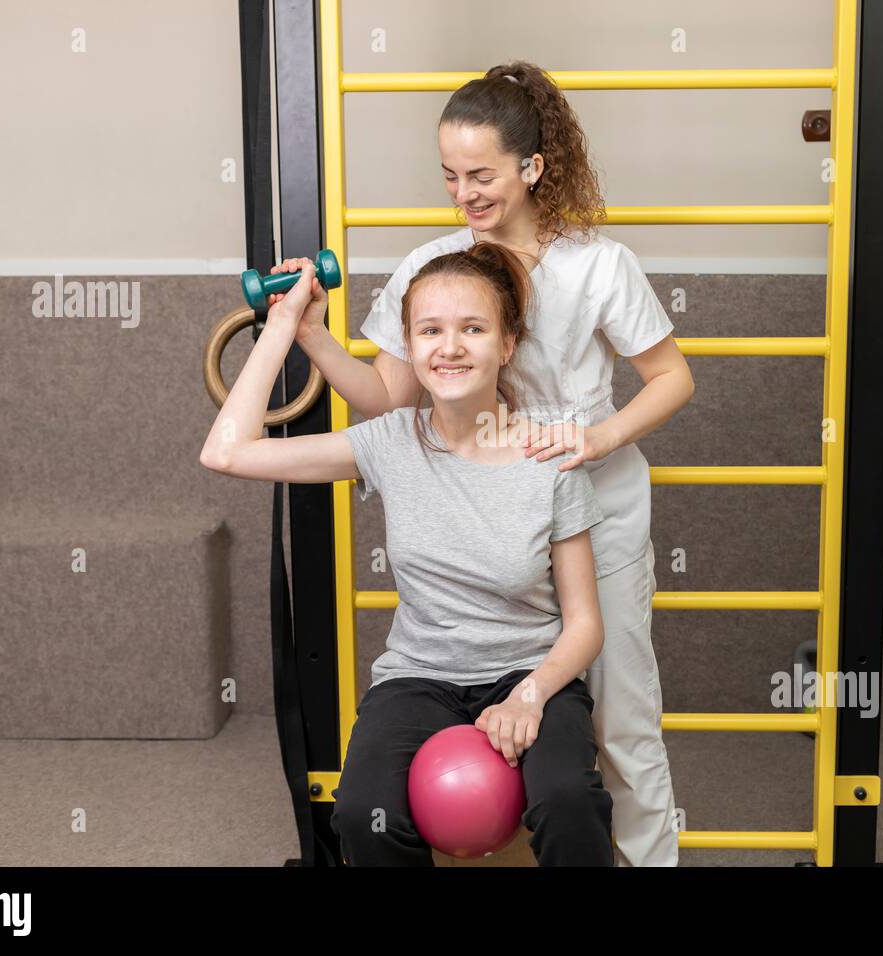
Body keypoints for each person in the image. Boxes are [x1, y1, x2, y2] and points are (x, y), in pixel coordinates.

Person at [282, 61, 693, 866]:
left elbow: (673, 377)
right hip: (488, 525)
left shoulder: (598, 264)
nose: (464, 193)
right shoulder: (435, 267)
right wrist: (311, 333)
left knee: (622, 724)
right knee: (526, 737)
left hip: (592, 510)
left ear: (532, 167)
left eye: (482, 175)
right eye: (449, 176)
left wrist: (596, 440)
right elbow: (386, 394)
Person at [199, 241, 615, 866]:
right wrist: (286, 324)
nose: (449, 347)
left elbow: (585, 624)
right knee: (362, 817)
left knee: (567, 798)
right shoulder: (389, 442)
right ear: (411, 347)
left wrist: (530, 695)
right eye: (430, 331)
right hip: (420, 677)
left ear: (505, 346)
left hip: (530, 672)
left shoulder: (548, 458)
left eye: (472, 329)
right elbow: (227, 452)